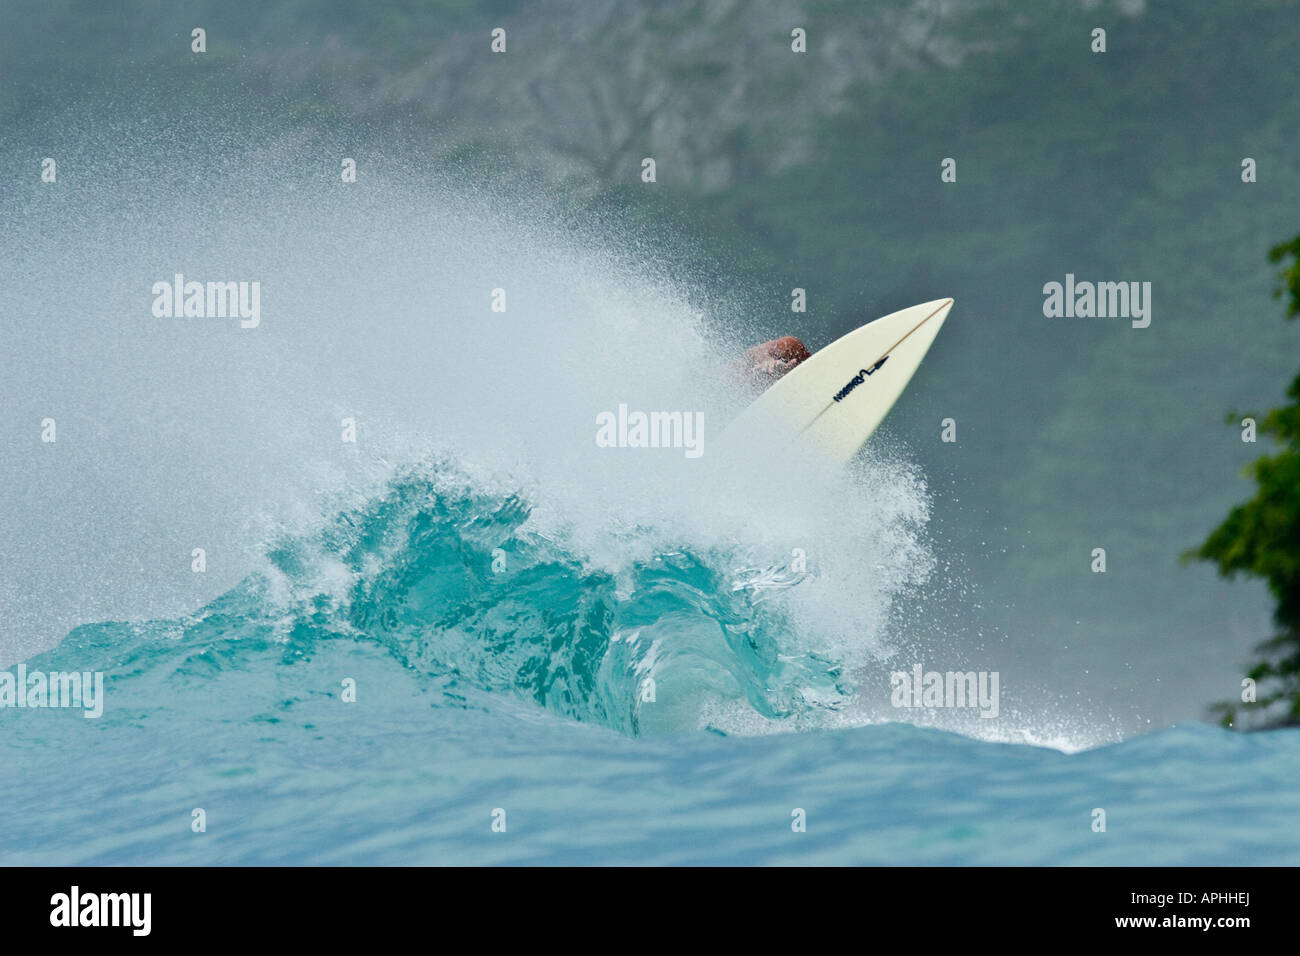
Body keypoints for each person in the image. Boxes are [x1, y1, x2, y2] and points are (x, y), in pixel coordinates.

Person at [734, 335, 811, 384]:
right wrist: (767, 361)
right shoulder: (794, 347)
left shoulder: (812, 368)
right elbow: (755, 351)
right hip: (733, 377)